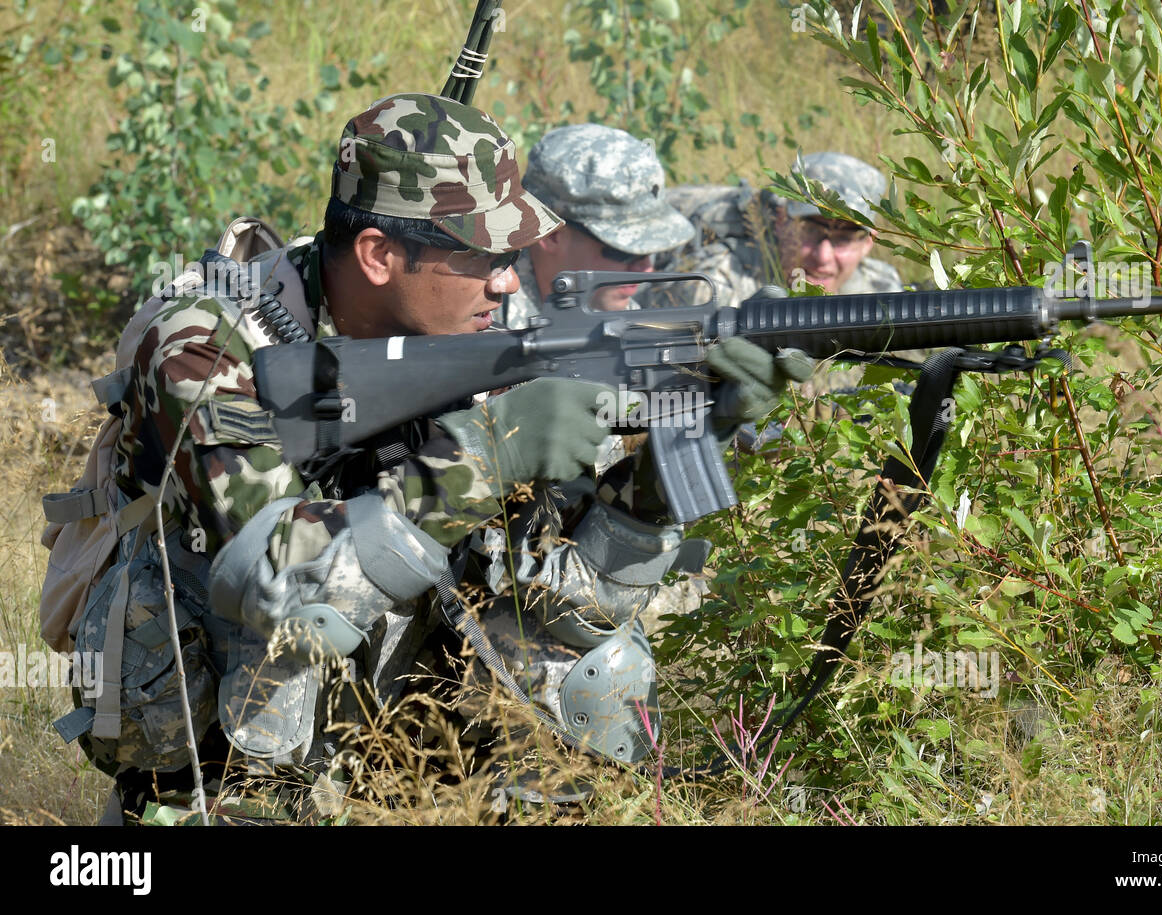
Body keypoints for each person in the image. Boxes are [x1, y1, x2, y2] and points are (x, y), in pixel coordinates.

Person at [65, 92, 808, 822]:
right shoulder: (208, 344)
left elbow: (570, 612)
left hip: (409, 723)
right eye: (481, 255)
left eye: (513, 254)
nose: (508, 280)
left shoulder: (485, 337)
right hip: (231, 725)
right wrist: (483, 455)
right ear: (379, 254)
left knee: (608, 667)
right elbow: (280, 590)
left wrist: (659, 481)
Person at [502, 123, 694, 330]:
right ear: (550, 235)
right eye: (622, 251)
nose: (646, 268)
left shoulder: (622, 319)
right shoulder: (481, 317)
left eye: (650, 250)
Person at [661, 151, 902, 307]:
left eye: (843, 239)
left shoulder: (883, 295)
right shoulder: (717, 288)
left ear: (868, 243)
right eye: (810, 231)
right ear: (781, 222)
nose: (823, 256)